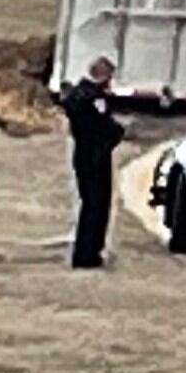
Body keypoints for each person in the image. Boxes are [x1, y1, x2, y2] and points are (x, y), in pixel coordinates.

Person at [56, 56, 126, 269]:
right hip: (96, 156)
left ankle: (85, 252)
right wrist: (118, 132)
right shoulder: (94, 99)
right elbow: (104, 127)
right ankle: (89, 253)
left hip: (82, 154)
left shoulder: (77, 95)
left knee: (88, 204)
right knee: (96, 206)